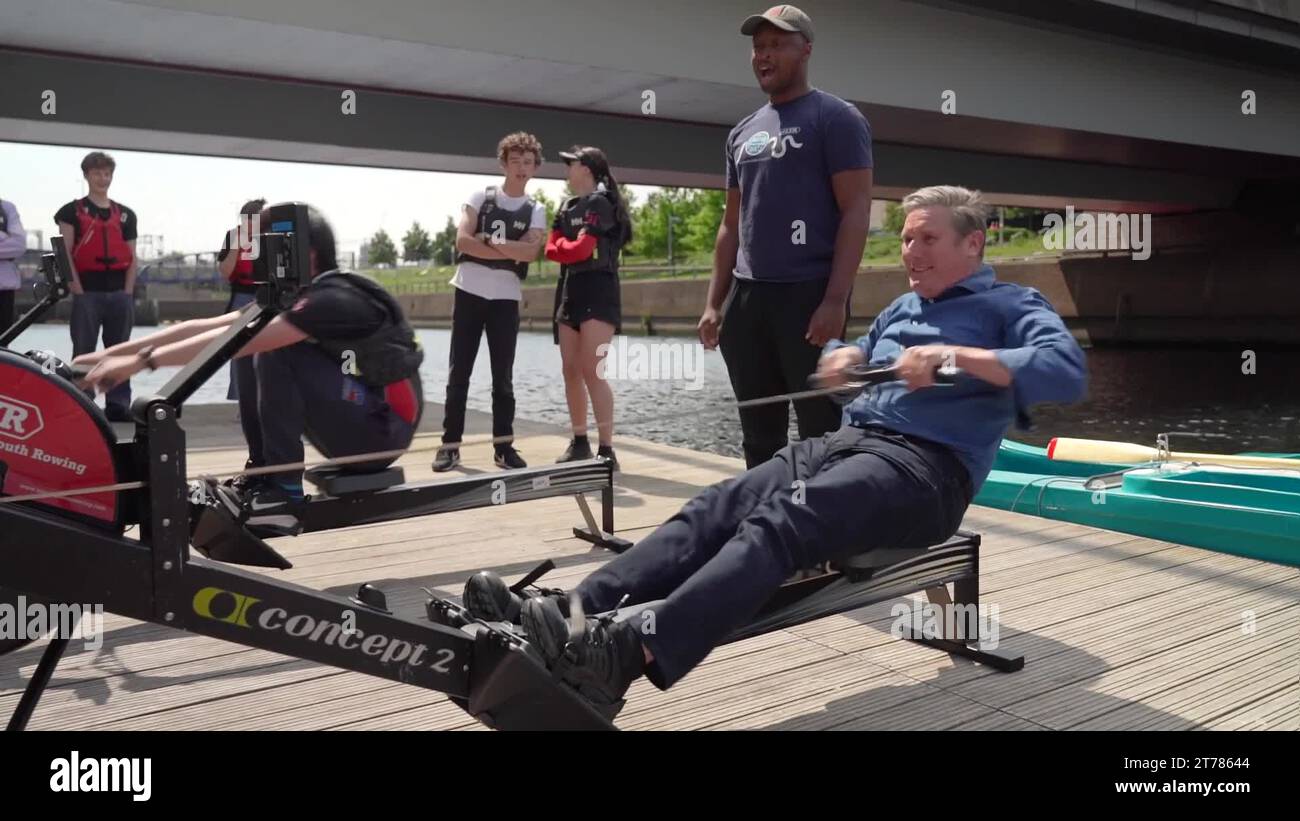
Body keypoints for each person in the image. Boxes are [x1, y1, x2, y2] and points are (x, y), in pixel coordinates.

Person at [465, 186, 1088, 717]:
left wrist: (961, 359)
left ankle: (626, 654)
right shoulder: (902, 308)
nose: (909, 252)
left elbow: (1063, 371)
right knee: (712, 507)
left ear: (972, 245)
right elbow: (853, 358)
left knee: (787, 520)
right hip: (849, 445)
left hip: (925, 471)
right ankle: (568, 612)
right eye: (905, 239)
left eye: (926, 239)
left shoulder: (1011, 306)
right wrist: (841, 359)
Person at [75, 205, 424, 536]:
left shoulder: (334, 298)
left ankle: (283, 493)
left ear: (304, 251)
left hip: (382, 433)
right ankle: (262, 474)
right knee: (250, 340)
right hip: (362, 423)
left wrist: (140, 364)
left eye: (265, 244)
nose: (254, 254)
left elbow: (239, 341)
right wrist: (99, 358)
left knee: (265, 346)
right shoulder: (301, 296)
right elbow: (205, 328)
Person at [699, 4, 874, 469]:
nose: (764, 55)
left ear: (806, 50)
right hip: (748, 299)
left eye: (777, 44)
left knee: (822, 430)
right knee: (760, 435)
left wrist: (836, 299)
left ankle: (831, 530)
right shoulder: (741, 132)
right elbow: (730, 223)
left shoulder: (836, 118)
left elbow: (856, 210)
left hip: (809, 295)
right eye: (758, 47)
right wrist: (715, 304)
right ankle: (766, 526)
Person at [434, 133, 547, 473]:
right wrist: (508, 249)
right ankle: (449, 447)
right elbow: (464, 242)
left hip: (505, 299)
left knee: (504, 378)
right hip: (469, 291)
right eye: (515, 161)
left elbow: (531, 252)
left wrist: (491, 240)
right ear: (503, 163)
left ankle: (503, 448)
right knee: (459, 373)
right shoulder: (479, 197)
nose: (521, 169)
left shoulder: (536, 209)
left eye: (528, 163)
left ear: (534, 167)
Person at [545, 146, 633, 469]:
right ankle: (579, 442)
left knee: (591, 370)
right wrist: (569, 248)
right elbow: (551, 250)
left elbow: (583, 249)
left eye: (572, 163)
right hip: (570, 290)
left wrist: (567, 247)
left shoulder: (602, 202)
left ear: (589, 169)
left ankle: (606, 449)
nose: (567, 168)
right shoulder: (566, 206)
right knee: (570, 368)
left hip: (599, 290)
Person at [55, 151, 140, 422]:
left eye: (107, 174)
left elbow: (132, 256)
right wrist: (76, 289)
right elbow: (65, 253)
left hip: (119, 293)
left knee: (120, 351)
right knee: (84, 352)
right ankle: (83, 403)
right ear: (87, 175)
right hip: (87, 292)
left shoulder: (126, 215)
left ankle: (118, 405)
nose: (102, 178)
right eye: (97, 173)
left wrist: (128, 291)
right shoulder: (70, 211)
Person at [216, 198, 268, 474]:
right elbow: (225, 271)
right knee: (240, 355)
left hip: (268, 297)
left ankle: (264, 401)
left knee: (267, 354)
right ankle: (243, 403)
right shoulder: (232, 236)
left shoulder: (274, 236)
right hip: (241, 296)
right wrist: (240, 240)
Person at [0, 198, 25, 331]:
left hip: (4, 292)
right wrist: (4, 236)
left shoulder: (7, 208)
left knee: (3, 348)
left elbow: (18, 245)